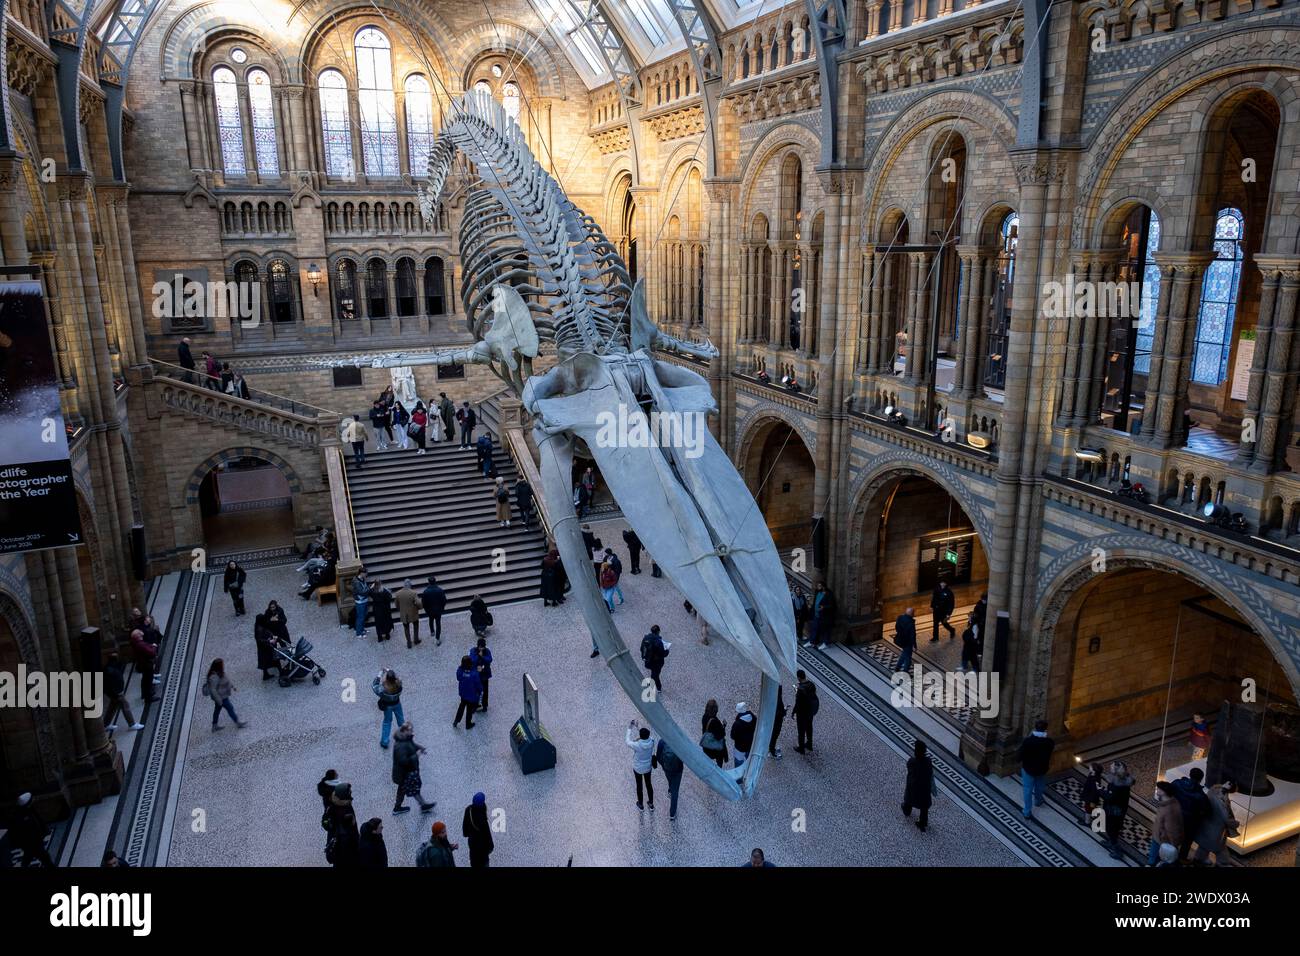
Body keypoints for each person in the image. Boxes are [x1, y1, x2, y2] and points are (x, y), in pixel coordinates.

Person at [391, 722, 435, 814]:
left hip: (405, 773)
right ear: (404, 731)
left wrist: (420, 748)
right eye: (410, 730)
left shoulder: (405, 738)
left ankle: (398, 807)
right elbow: (403, 761)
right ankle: (423, 805)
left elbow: (412, 745)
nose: (412, 732)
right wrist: (416, 755)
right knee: (412, 789)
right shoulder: (400, 745)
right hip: (404, 773)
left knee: (403, 789)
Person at [1193, 780, 1238, 866]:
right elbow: (1226, 818)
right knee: (1220, 848)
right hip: (1216, 828)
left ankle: (1199, 858)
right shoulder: (1223, 801)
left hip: (1206, 823)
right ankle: (1222, 863)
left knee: (1204, 845)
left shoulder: (1213, 790)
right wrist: (1235, 824)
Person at [1171, 767, 1212, 861]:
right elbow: (1207, 811)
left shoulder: (1177, 783)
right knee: (1186, 842)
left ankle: (1169, 856)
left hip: (1175, 817)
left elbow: (1168, 792)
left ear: (1190, 774)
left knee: (1173, 837)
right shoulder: (1201, 796)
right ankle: (1181, 859)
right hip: (1190, 823)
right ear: (1201, 779)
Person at [1018, 719, 1055, 819]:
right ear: (1045, 729)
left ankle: (1027, 811)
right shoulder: (1049, 742)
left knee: (1027, 789)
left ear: (1035, 727)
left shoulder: (1028, 741)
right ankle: (1038, 801)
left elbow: (1020, 754)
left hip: (1028, 769)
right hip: (1041, 769)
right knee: (1039, 786)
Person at [1101, 761, 1135, 860]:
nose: (1109, 767)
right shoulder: (1125, 780)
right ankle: (1111, 842)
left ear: (1115, 771)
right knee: (1113, 828)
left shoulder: (1116, 784)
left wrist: (1100, 791)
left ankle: (1117, 850)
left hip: (1113, 810)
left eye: (1111, 767)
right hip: (1120, 808)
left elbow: (1111, 798)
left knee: (1111, 828)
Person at [9, 794, 54, 867]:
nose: (33, 800)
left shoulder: (28, 810)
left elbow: (38, 820)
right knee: (44, 858)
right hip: (32, 844)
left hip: (33, 843)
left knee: (28, 857)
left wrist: (44, 830)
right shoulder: (20, 818)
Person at [103, 653, 144, 732]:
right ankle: (132, 724)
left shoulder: (110, 667)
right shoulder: (110, 670)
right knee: (125, 706)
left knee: (112, 707)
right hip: (116, 693)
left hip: (114, 692)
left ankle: (106, 724)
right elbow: (112, 683)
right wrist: (118, 692)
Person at [901, 739, 935, 831]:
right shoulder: (928, 761)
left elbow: (909, 768)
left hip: (913, 788)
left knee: (909, 799)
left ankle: (907, 810)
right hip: (925, 789)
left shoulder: (912, 762)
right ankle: (923, 821)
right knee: (924, 808)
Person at [203, 658, 246, 730]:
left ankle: (214, 725)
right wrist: (219, 700)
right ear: (219, 666)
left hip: (222, 696)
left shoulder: (220, 673)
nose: (223, 665)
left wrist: (232, 686)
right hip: (221, 697)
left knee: (217, 710)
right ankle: (237, 722)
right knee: (230, 708)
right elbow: (213, 689)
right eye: (222, 664)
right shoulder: (214, 677)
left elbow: (226, 680)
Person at [325, 782, 360, 867]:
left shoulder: (337, 804)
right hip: (345, 850)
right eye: (349, 792)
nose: (351, 793)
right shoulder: (343, 811)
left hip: (341, 844)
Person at [1150, 781, 1184, 866]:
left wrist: (1174, 844)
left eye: (1159, 789)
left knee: (1156, 858)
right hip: (1160, 836)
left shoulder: (1169, 809)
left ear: (1164, 792)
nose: (1157, 790)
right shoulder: (1169, 802)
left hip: (1162, 839)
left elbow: (1172, 829)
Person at [627, 720, 655, 810]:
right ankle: (651, 804)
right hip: (648, 767)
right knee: (648, 784)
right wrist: (638, 726)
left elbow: (627, 741)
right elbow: (646, 736)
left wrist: (630, 728)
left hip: (638, 768)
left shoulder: (637, 745)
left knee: (639, 785)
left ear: (640, 737)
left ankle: (641, 804)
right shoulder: (652, 741)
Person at [654, 737, 685, 820]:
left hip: (666, 768)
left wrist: (664, 765)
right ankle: (672, 814)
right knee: (676, 791)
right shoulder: (679, 744)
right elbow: (683, 758)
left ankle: (670, 790)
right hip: (677, 770)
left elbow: (658, 756)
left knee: (670, 779)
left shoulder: (662, 741)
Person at [373, 669, 404, 748]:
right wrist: (390, 671)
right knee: (401, 720)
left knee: (387, 722)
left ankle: (385, 741)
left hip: (387, 707)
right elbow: (398, 677)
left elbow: (375, 686)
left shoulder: (383, 689)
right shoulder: (399, 684)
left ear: (386, 679)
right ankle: (404, 735)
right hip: (397, 704)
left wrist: (379, 675)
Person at [462, 792, 495, 867]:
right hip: (482, 847)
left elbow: (465, 830)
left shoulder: (468, 810)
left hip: (472, 843)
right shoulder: (482, 817)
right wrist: (491, 846)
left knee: (474, 861)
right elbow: (487, 834)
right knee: (484, 863)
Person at [128, 627, 159, 704]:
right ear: (138, 635)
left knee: (146, 680)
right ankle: (148, 697)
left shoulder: (136, 643)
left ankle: (147, 694)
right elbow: (151, 652)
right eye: (139, 631)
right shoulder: (140, 644)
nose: (141, 631)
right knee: (148, 680)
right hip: (147, 664)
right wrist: (154, 646)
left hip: (144, 664)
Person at [792, 670, 818, 754]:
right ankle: (809, 744)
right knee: (809, 727)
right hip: (810, 711)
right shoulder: (811, 684)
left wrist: (793, 712)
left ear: (799, 677)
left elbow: (798, 703)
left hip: (802, 713)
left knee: (801, 730)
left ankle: (801, 748)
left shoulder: (800, 689)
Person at [639, 625, 668, 693]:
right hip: (657, 662)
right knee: (656, 674)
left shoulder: (646, 638)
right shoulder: (658, 641)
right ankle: (658, 687)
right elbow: (663, 653)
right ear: (658, 632)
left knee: (654, 673)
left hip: (648, 661)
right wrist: (667, 650)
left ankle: (655, 685)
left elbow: (641, 648)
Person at [454, 656, 482, 729]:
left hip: (463, 694)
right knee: (469, 710)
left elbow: (458, 677)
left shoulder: (461, 671)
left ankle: (456, 720)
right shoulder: (474, 674)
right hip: (471, 695)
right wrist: (480, 690)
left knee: (461, 707)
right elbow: (478, 684)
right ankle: (468, 724)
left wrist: (461, 667)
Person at [253, 612, 282, 681]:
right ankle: (281, 672)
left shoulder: (259, 626)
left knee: (266, 662)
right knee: (275, 659)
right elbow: (260, 640)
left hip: (265, 648)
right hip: (266, 648)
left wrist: (271, 636)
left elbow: (267, 632)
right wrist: (269, 641)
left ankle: (266, 675)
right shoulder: (259, 629)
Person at [395, 578, 421, 648]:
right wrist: (419, 608)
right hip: (413, 613)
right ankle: (416, 640)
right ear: (410, 585)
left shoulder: (398, 593)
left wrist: (400, 610)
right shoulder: (413, 593)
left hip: (404, 614)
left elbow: (396, 605)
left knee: (406, 628)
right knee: (416, 626)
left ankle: (409, 643)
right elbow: (419, 603)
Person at [700, 700, 728, 767]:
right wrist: (723, 726)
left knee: (708, 762)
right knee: (719, 761)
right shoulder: (715, 721)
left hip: (706, 746)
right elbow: (720, 735)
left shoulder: (704, 717)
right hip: (715, 749)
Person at [807, 583, 834, 649]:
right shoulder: (817, 593)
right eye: (817, 586)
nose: (818, 587)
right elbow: (815, 602)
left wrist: (823, 607)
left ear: (823, 587)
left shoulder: (828, 594)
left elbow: (832, 605)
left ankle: (825, 643)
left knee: (825, 629)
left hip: (824, 616)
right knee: (814, 628)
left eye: (819, 586)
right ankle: (812, 642)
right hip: (816, 615)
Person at [420, 575, 446, 645]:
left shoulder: (425, 591)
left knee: (431, 620)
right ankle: (437, 638)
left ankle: (432, 631)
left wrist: (426, 610)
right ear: (435, 581)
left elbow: (423, 602)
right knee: (438, 623)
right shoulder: (440, 590)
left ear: (428, 582)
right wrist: (442, 608)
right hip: (438, 610)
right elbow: (444, 600)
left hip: (430, 610)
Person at [730, 702, 757, 769]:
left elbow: (732, 736)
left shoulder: (737, 724)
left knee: (738, 763)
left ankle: (739, 778)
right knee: (750, 759)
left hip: (740, 748)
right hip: (750, 745)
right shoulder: (753, 717)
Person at [470, 637, 494, 711]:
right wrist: (478, 656)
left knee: (485, 690)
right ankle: (475, 705)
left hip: (484, 674)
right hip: (476, 675)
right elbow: (472, 660)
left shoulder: (487, 651)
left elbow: (489, 659)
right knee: (475, 690)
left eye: (483, 647)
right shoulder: (473, 650)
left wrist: (482, 656)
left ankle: (484, 705)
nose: (481, 649)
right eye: (480, 647)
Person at [370, 578, 395, 643]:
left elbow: (369, 593)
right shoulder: (384, 591)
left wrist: (371, 587)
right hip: (385, 609)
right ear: (381, 584)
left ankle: (379, 637)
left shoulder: (373, 592)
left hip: (377, 610)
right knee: (386, 622)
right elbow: (389, 598)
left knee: (378, 623)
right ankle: (387, 635)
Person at [894, 608, 917, 674]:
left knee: (904, 653)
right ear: (912, 614)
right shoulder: (911, 623)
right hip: (907, 642)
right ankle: (905, 672)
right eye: (913, 613)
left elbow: (896, 627)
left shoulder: (900, 617)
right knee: (908, 658)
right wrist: (914, 646)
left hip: (900, 639)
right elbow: (912, 635)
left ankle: (897, 667)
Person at [768, 685, 787, 759]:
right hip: (776, 721)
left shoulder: (774, 697)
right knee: (774, 735)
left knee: (773, 735)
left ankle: (771, 748)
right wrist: (784, 712)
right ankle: (772, 752)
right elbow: (778, 712)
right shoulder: (777, 700)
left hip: (774, 720)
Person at [351, 568, 370, 637]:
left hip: (364, 600)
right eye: (366, 573)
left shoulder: (362, 579)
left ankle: (362, 629)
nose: (366, 575)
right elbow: (362, 592)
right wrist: (370, 588)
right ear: (361, 573)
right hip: (360, 601)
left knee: (363, 615)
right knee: (360, 617)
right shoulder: (356, 582)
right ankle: (359, 633)